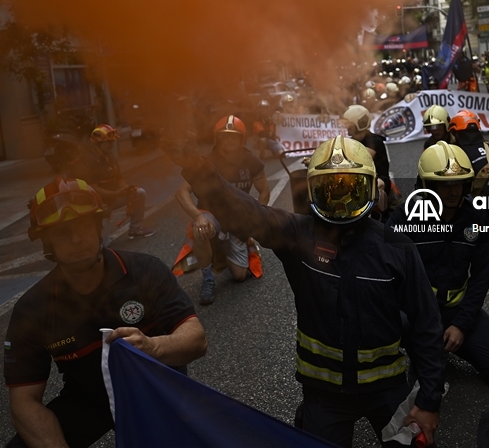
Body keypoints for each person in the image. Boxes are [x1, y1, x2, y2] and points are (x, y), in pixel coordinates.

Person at [164, 135, 445, 447]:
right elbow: (243, 208)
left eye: (350, 190)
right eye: (331, 190)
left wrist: (430, 401)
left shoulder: (398, 247)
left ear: (369, 188)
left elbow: (426, 324)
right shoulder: (298, 235)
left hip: (387, 388)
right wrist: (197, 168)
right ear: (313, 190)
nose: (341, 203)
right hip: (325, 395)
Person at [4, 176, 207, 448]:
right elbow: (24, 401)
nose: (76, 239)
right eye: (63, 232)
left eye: (84, 226)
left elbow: (196, 338)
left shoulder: (144, 270)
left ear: (99, 227)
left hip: (156, 386)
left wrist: (152, 346)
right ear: (47, 244)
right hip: (90, 398)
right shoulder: (32, 310)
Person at [389, 142, 489, 389]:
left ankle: (441, 343)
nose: (453, 191)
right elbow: (385, 268)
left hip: (455, 310)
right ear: (427, 185)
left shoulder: (476, 217)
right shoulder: (407, 216)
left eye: (458, 183)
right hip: (416, 310)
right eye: (444, 184)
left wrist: (461, 324)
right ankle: (424, 347)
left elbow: (481, 276)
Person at [174, 115, 268, 306]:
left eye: (234, 136)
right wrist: (198, 216)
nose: (230, 140)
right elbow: (181, 193)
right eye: (225, 136)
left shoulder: (250, 160)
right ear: (217, 138)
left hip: (237, 220)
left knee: (240, 276)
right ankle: (208, 278)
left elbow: (264, 192)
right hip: (211, 215)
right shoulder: (206, 162)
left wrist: (252, 223)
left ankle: (225, 245)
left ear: (242, 138)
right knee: (199, 230)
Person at [70, 124, 151, 240]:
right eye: (108, 142)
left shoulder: (110, 157)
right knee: (104, 245)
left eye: (112, 142)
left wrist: (128, 190)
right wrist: (117, 193)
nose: (111, 145)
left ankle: (136, 230)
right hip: (96, 205)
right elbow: (93, 189)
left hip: (111, 199)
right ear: (98, 143)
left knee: (139, 193)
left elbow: (119, 179)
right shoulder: (88, 161)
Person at [342, 105, 391, 208]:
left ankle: (383, 216)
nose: (346, 127)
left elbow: (360, 160)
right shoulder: (351, 141)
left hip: (378, 178)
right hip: (358, 178)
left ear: (359, 123)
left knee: (373, 186)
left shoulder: (374, 141)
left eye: (349, 124)